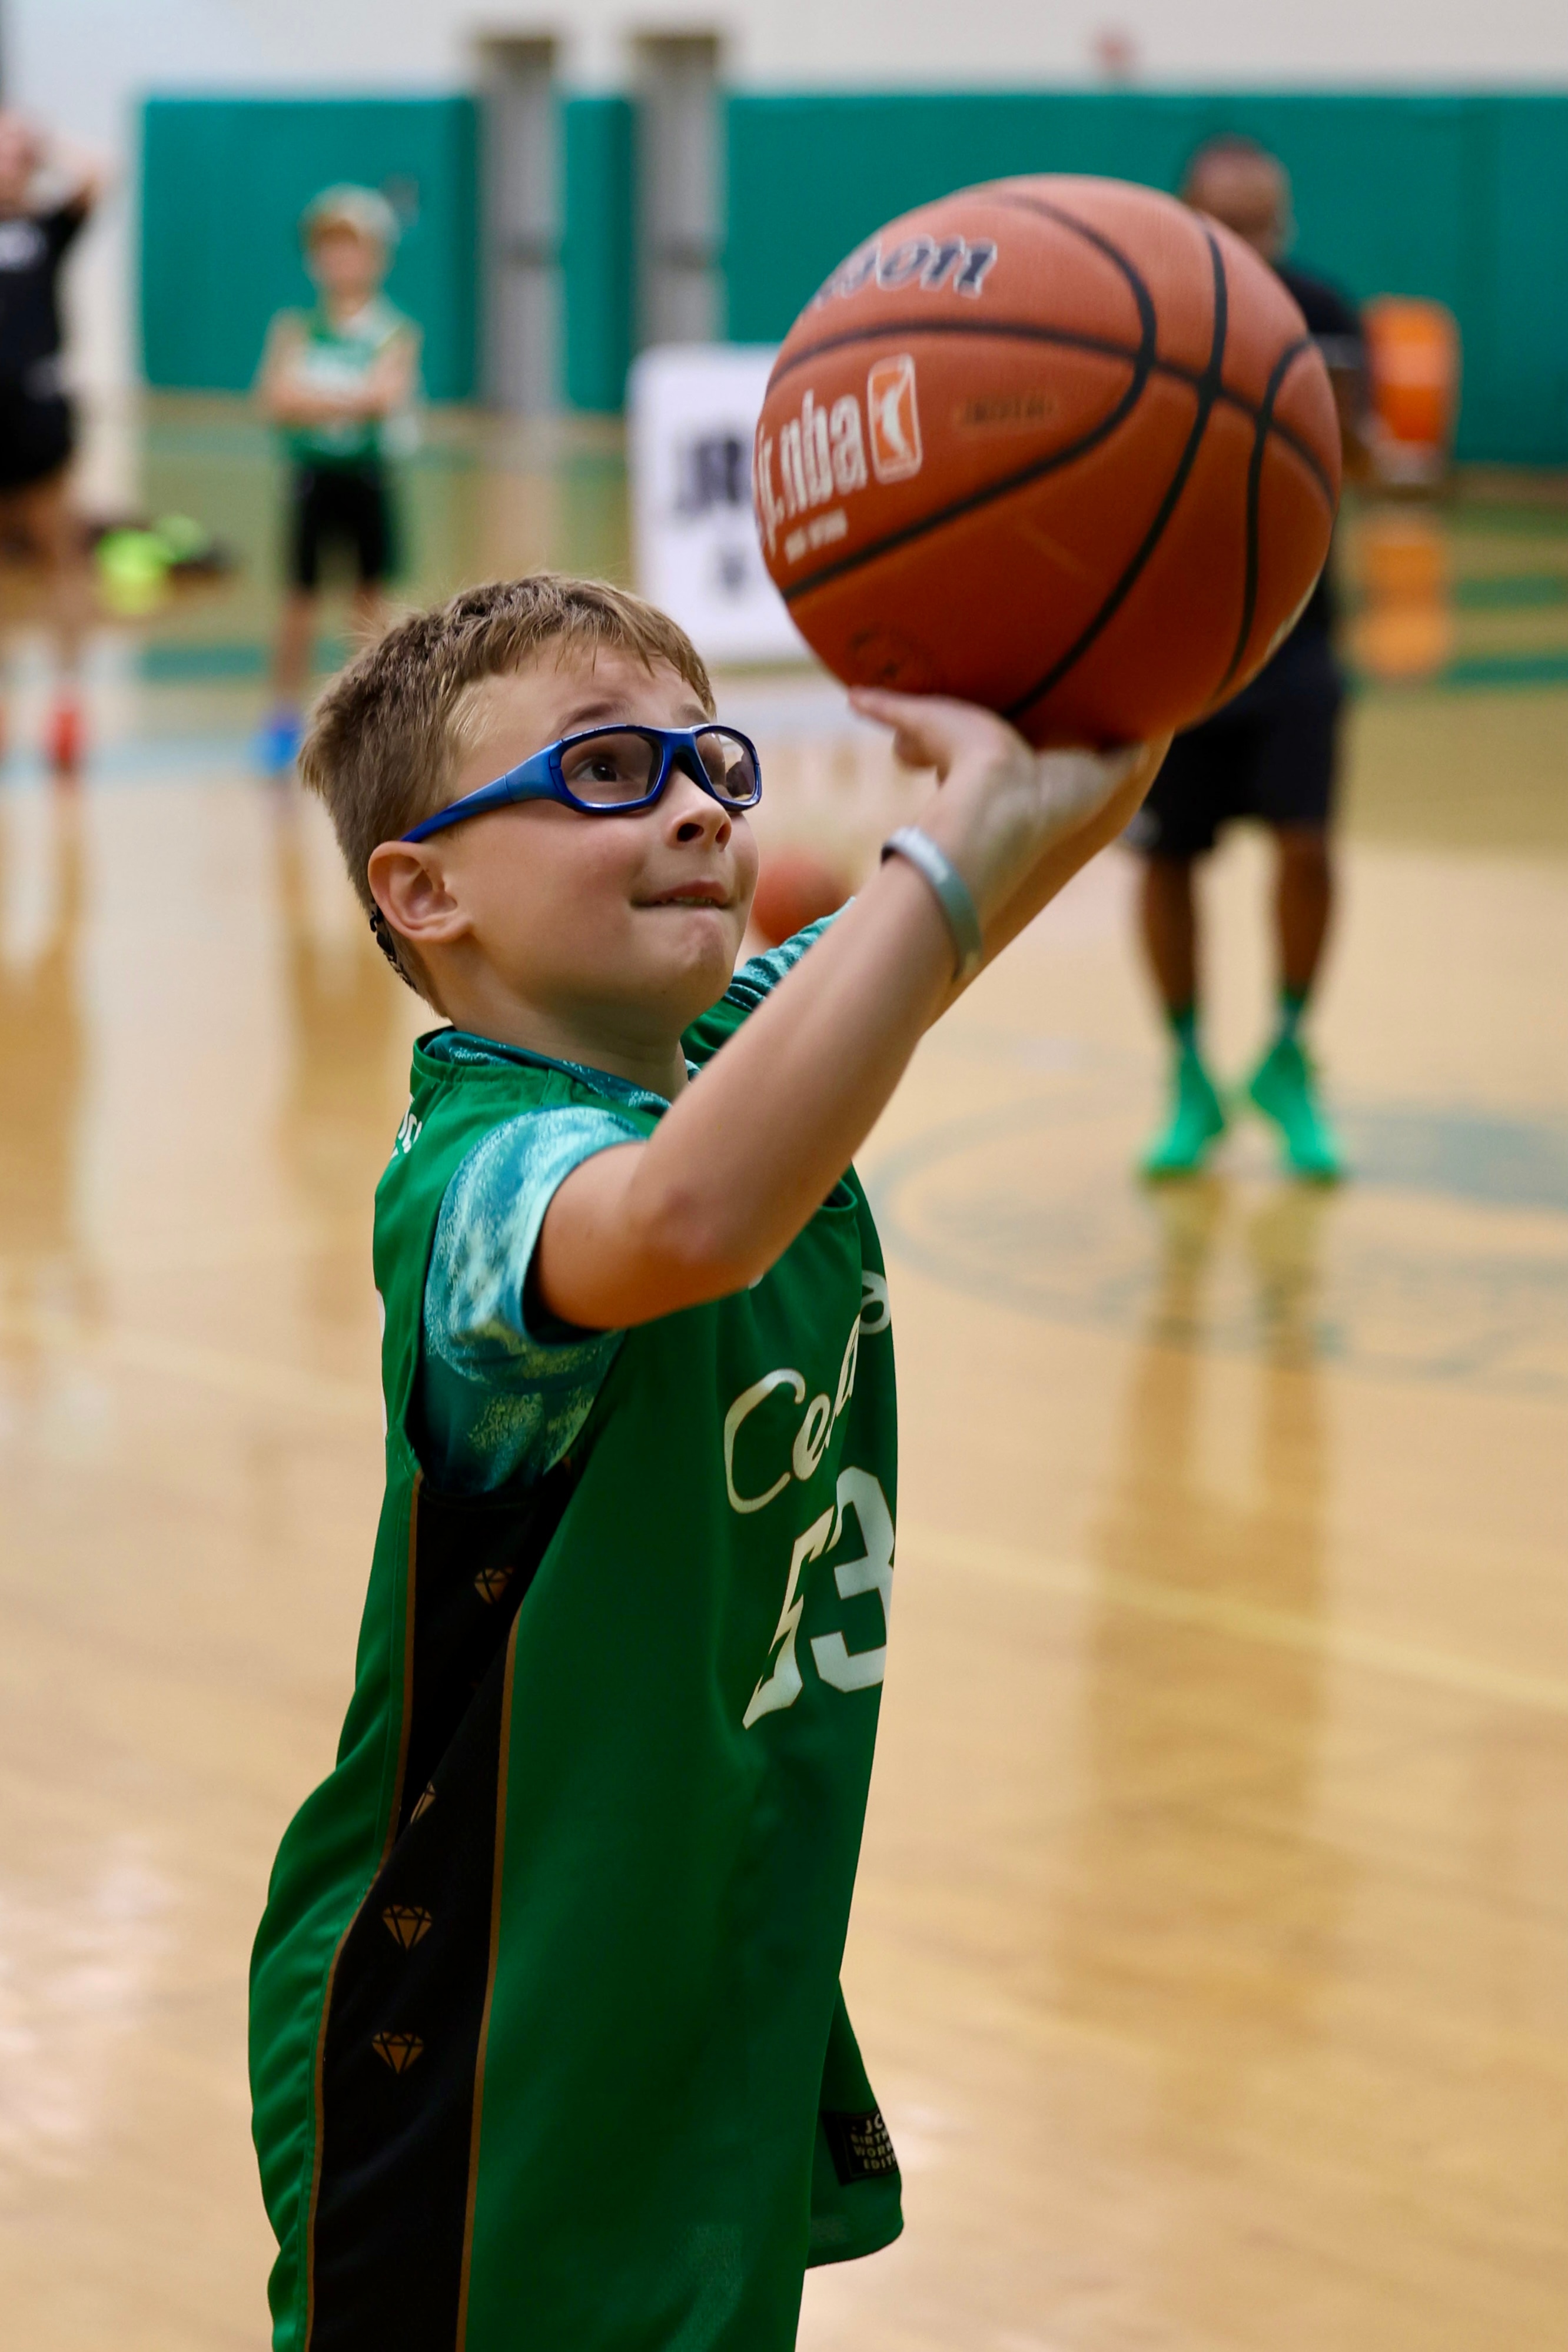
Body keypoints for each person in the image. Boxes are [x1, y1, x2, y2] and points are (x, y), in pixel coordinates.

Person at [248, 572, 1165, 2352]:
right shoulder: (480, 1188)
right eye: (603, 771)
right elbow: (689, 1219)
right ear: (422, 890)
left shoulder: (735, 1061)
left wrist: (1128, 625)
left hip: (697, 1977)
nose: (692, 806)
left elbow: (1038, 830)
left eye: (710, 766)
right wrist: (948, 853)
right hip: (487, 2026)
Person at [1128, 133, 1366, 1182]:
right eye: (1224, 222)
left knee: (1306, 848)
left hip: (1292, 627)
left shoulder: (1322, 314)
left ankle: (1283, 1054)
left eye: (1260, 222)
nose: (1245, 241)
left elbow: (1352, 457)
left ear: (1283, 225)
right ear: (1186, 219)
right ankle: (1184, 1069)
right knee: (1165, 857)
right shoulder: (1126, 314)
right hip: (1170, 637)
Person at [253, 184, 420, 773]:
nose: (342, 262)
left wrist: (314, 398)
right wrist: (345, 400)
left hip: (368, 477)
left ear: (375, 256)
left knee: (370, 603)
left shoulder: (393, 330)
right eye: (330, 249)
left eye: (353, 249)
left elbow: (385, 395)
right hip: (312, 477)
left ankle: (369, 721)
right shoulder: (296, 326)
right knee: (299, 601)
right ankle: (279, 719)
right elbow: (274, 397)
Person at [0, 111, 105, 774]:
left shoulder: (47, 226)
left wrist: (39, 141)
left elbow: (97, 174)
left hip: (38, 415)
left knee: (59, 553)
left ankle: (67, 702)